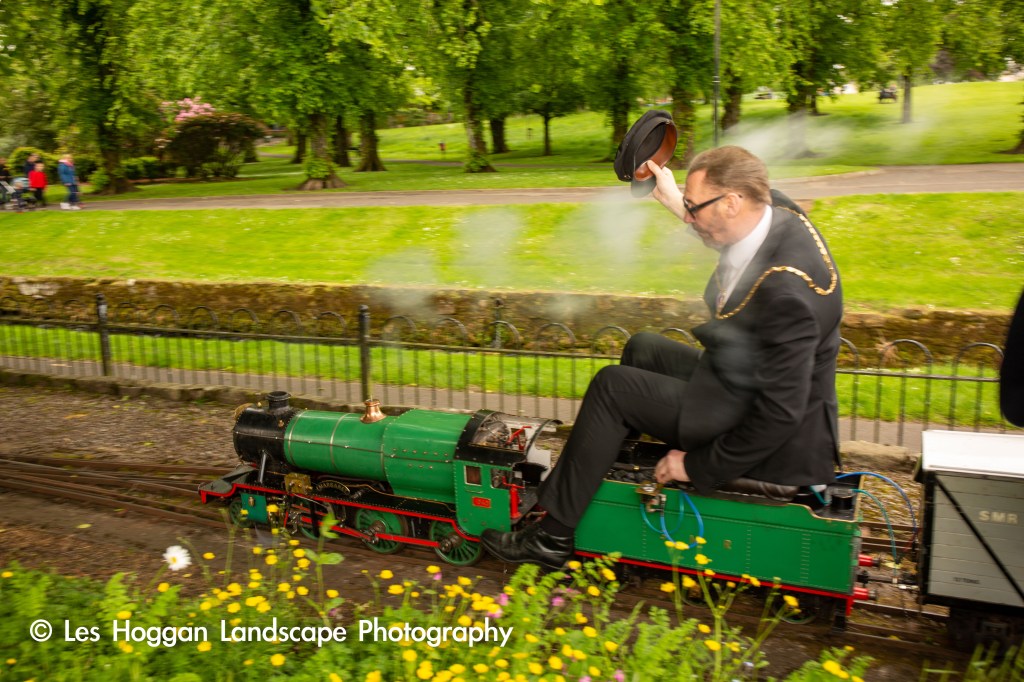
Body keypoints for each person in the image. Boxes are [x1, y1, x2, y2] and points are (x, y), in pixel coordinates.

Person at [481, 145, 844, 569]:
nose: (689, 218)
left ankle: (552, 538)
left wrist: (695, 464)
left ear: (731, 202)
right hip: (744, 381)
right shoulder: (774, 211)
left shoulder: (787, 296)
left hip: (775, 434)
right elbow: (738, 242)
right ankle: (603, 468)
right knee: (643, 346)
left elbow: (780, 414)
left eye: (694, 208)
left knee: (613, 387)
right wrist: (674, 198)